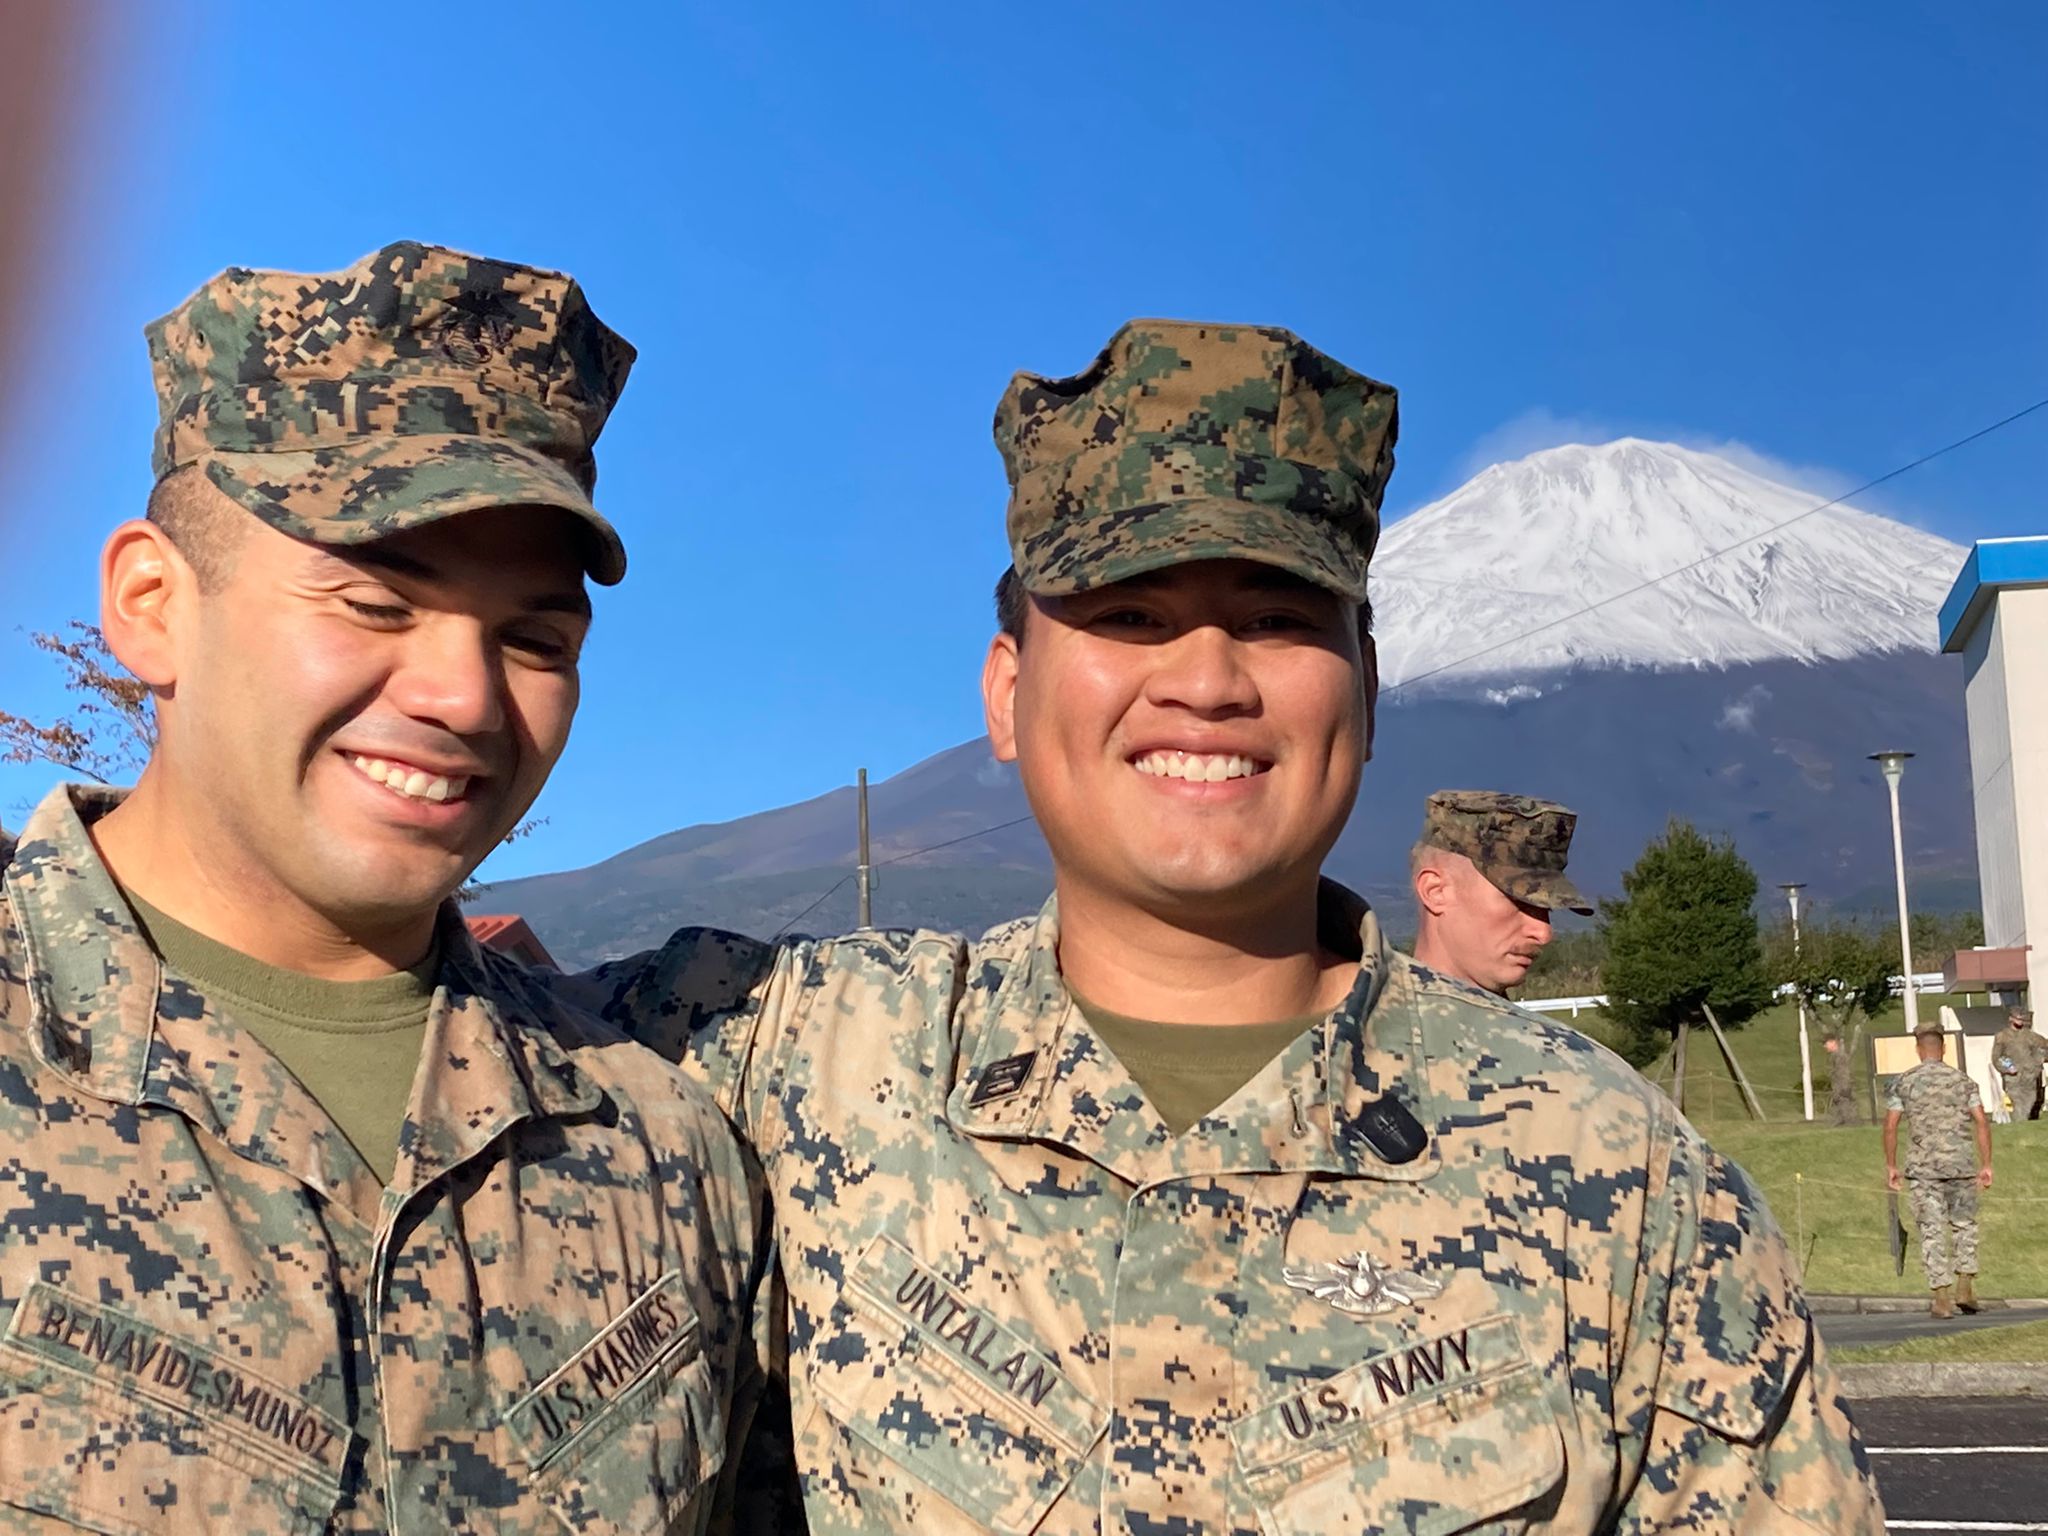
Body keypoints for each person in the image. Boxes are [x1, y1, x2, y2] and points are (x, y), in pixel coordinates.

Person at [560, 318, 1882, 1532]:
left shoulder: (1620, 1179)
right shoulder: (782, 1059)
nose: (1205, 680)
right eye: (1130, 615)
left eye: (1276, 618)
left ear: (1363, 688)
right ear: (1008, 693)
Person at [0, 243, 770, 1532]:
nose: (464, 699)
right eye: (371, 601)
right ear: (150, 606)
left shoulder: (660, 1152)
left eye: (534, 640)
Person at [1409, 789, 1593, 996]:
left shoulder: (1529, 1029)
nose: (1543, 933)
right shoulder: (1374, 1023)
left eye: (1546, 907)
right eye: (1518, 901)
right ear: (1436, 891)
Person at [1885, 1020, 1994, 1317]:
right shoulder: (1963, 1082)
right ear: (1943, 1048)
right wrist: (1986, 1165)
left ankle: (1942, 1298)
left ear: (1919, 1049)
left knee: (1931, 1230)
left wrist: (1892, 1166)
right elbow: (1981, 1121)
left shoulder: (1904, 1083)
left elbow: (1892, 1125)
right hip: (1961, 1166)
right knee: (1964, 1225)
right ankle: (1965, 1286)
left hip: (1923, 1170)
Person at [1994, 1006, 2046, 1121]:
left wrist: (2038, 1062)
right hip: (2013, 1079)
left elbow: (2044, 1048)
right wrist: (2009, 1067)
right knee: (2018, 1106)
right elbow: (1998, 1057)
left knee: (2029, 1104)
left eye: (2022, 1019)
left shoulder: (2030, 1036)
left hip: (2030, 1077)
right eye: (2017, 1018)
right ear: (2011, 1019)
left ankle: (2026, 1127)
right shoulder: (2002, 1037)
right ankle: (2020, 1126)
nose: (2020, 1021)